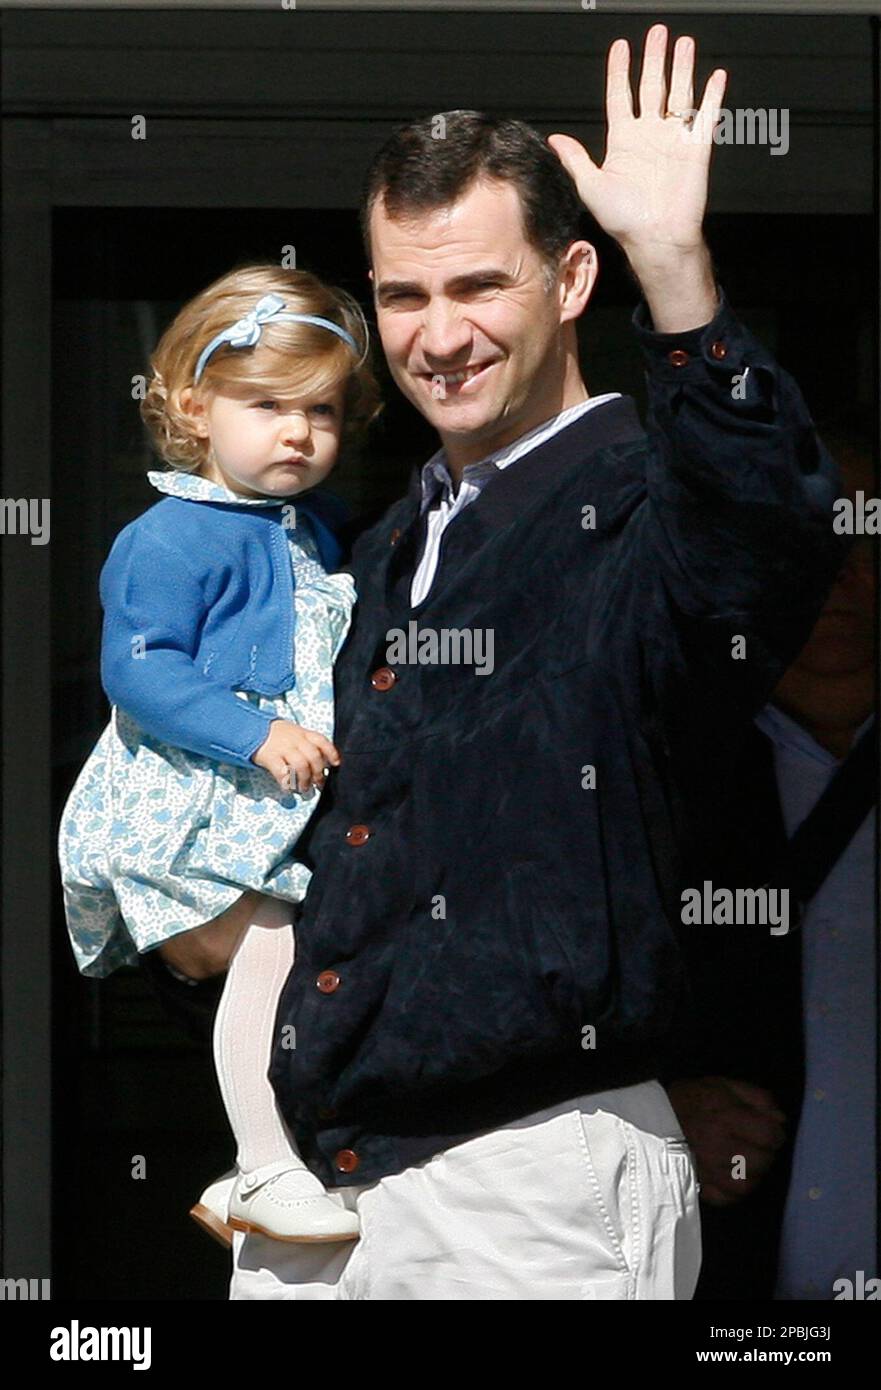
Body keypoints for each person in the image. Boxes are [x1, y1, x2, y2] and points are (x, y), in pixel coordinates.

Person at [172, 25, 849, 1301]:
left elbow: (765, 539)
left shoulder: (651, 506)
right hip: (318, 1196)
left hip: (532, 1188)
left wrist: (679, 274)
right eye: (402, 295)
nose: (438, 336)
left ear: (572, 280)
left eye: (479, 286)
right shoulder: (373, 550)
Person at [56, 262, 381, 1245]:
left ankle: (250, 1171)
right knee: (275, 940)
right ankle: (265, 1160)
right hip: (179, 805)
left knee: (302, 960)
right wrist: (257, 731)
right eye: (267, 404)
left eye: (322, 410)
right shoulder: (171, 536)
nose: (298, 432)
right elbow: (138, 671)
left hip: (245, 803)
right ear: (195, 408)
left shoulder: (308, 534)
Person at [666, 420, 877, 1299]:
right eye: (801, 540)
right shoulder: (636, 775)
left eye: (869, 533)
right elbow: (494, 1015)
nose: (839, 574)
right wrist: (650, 1109)